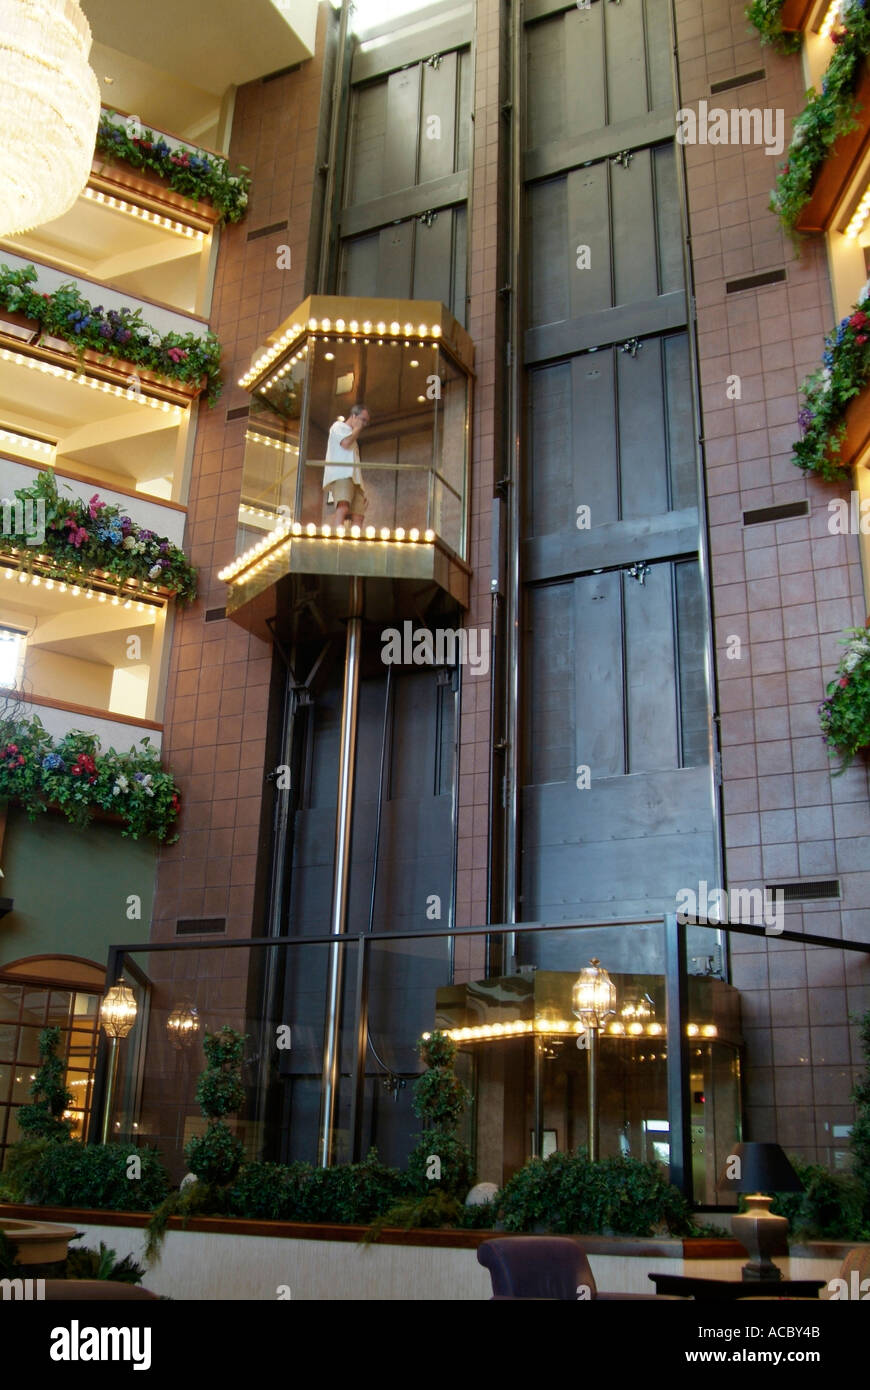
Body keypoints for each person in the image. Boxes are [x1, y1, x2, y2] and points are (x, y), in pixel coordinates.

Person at [323, 403, 369, 526]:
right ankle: (338, 540)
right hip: (342, 473)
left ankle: (355, 542)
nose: (363, 424)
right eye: (362, 420)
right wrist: (357, 429)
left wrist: (362, 487)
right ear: (354, 416)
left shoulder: (353, 436)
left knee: (359, 514)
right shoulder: (338, 427)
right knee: (343, 506)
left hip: (355, 479)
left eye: (365, 422)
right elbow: (345, 443)